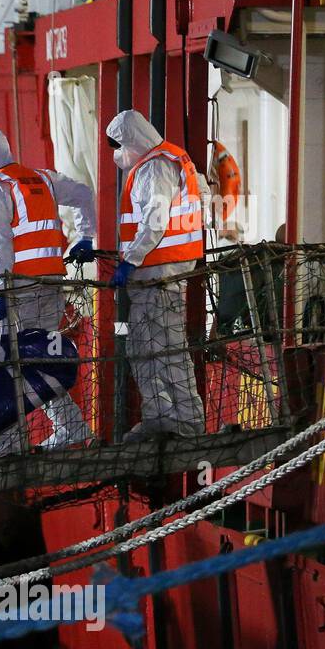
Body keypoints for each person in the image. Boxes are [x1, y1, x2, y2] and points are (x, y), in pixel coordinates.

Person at [0, 128, 97, 451]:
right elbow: (84, 194)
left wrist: (0, 291)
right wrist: (85, 236)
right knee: (37, 358)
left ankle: (8, 443)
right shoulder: (42, 179)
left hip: (18, 290)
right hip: (52, 285)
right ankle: (71, 427)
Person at [106, 110, 206, 439]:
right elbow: (203, 195)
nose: (117, 153)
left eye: (119, 145)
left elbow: (155, 221)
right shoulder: (175, 158)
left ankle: (188, 421)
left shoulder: (154, 167)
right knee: (142, 345)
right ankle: (160, 414)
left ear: (132, 141)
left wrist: (129, 261)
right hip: (158, 271)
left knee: (168, 347)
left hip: (159, 272)